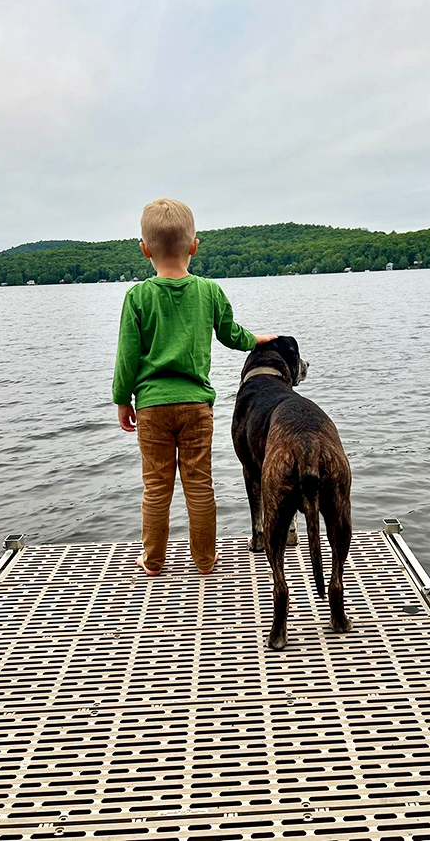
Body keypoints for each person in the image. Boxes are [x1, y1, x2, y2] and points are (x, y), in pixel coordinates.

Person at [112, 198, 276, 576]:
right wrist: (258, 340)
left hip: (152, 407)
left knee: (156, 488)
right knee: (199, 487)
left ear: (144, 249)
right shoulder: (209, 292)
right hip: (196, 408)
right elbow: (232, 335)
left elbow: (127, 357)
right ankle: (205, 561)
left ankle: (152, 561)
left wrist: (122, 400)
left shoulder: (137, 297)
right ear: (194, 246)